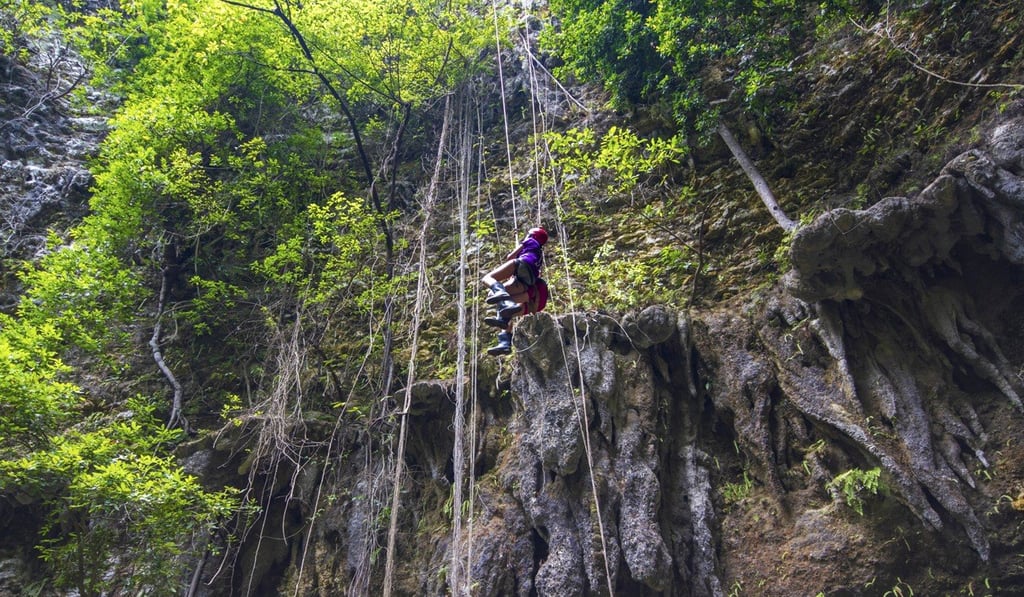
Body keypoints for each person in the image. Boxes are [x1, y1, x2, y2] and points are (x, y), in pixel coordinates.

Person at [481, 226, 548, 355]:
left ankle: (502, 299)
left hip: (522, 264)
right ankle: (505, 343)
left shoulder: (530, 241)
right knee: (507, 311)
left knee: (487, 279)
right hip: (529, 284)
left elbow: (510, 257)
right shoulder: (539, 255)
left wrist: (520, 246)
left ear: (532, 235)